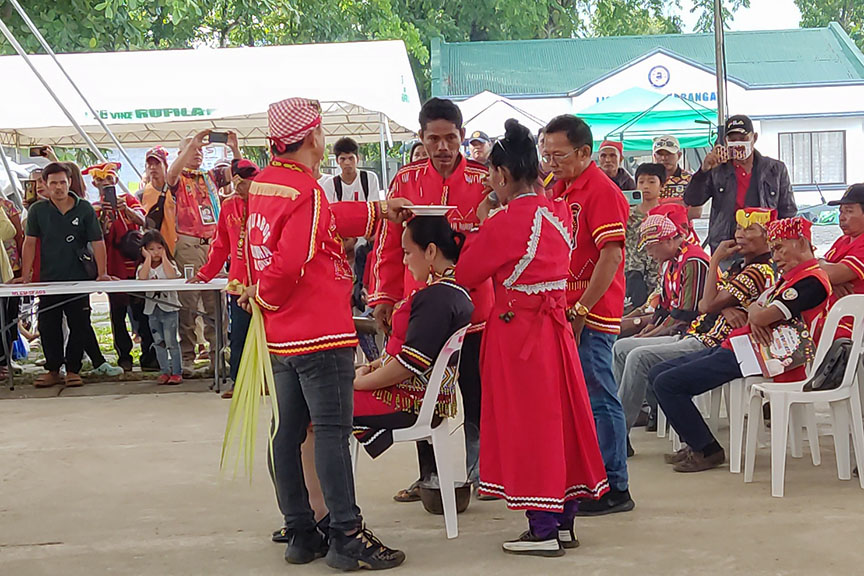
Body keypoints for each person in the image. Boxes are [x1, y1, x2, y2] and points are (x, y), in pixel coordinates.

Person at [239, 97, 405, 571]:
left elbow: (319, 222)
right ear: (314, 137)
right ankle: (347, 535)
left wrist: (379, 211)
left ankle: (299, 532)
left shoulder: (268, 184)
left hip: (282, 336)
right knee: (332, 434)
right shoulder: (306, 191)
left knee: (288, 432)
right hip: (320, 332)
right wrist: (266, 295)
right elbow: (291, 260)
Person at [456, 119, 608, 556]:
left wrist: (482, 221)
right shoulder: (556, 212)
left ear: (502, 175)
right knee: (561, 421)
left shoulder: (507, 221)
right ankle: (563, 522)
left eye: (490, 176)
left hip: (518, 334)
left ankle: (541, 528)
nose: (490, 184)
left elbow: (467, 272)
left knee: (530, 427)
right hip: (555, 332)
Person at [369, 97, 493, 499]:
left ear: (462, 136)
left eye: (451, 138)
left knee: (475, 392)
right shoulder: (404, 181)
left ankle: (481, 475)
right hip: (419, 309)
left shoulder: (483, 179)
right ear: (421, 138)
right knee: (419, 392)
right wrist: (385, 297)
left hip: (474, 308)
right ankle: (431, 479)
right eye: (434, 138)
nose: (443, 147)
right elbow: (388, 244)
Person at [652, 217, 830, 472]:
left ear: (801, 243)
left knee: (667, 383)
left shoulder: (810, 281)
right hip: (745, 346)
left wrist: (758, 311)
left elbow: (759, 314)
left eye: (780, 247)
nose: (775, 255)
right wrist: (758, 309)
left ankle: (707, 449)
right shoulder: (789, 277)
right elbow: (756, 309)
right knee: (659, 372)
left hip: (768, 356)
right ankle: (696, 443)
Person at [616, 208, 776, 442]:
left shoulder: (702, 262)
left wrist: (715, 262)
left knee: (645, 362)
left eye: (749, 229)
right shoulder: (738, 267)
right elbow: (698, 305)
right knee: (624, 349)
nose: (740, 234)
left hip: (712, 341)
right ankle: (628, 421)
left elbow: (697, 308)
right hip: (701, 333)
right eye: (740, 228)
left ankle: (619, 434)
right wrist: (724, 306)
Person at [544, 114, 634, 516]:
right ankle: (590, 479)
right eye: (546, 154)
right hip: (566, 306)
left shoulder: (601, 190)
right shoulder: (558, 187)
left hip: (591, 311)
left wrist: (582, 308)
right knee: (578, 397)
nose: (550, 162)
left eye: (558, 155)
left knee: (599, 395)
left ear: (584, 152)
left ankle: (616, 485)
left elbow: (611, 255)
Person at [353, 216, 473, 488]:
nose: (404, 261)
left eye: (407, 253)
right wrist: (374, 368)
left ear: (430, 251)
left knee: (321, 408)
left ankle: (325, 510)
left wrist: (360, 382)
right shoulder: (452, 291)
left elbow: (409, 365)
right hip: (415, 397)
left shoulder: (437, 298)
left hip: (409, 401)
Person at [17, 162, 111, 388]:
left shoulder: (85, 208)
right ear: (45, 186)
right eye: (53, 183)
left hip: (78, 277)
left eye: (62, 182)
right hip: (49, 278)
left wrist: (102, 273)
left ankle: (73, 369)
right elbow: (29, 243)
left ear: (70, 182)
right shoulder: (38, 210)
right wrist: (26, 274)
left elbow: (97, 242)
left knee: (79, 323)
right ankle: (52, 369)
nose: (58, 187)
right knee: (48, 324)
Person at [166, 130, 240, 372]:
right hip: (188, 244)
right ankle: (187, 358)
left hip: (214, 244)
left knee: (216, 305)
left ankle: (217, 357)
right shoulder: (179, 179)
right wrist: (191, 143)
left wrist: (234, 148)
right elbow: (171, 174)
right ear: (181, 153)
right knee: (188, 304)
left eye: (200, 149)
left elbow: (240, 172)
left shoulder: (210, 176)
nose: (197, 152)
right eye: (192, 149)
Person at [191, 159, 260, 398]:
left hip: (266, 283)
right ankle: (238, 383)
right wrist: (205, 273)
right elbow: (220, 245)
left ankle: (270, 382)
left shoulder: (267, 202)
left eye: (244, 182)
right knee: (239, 336)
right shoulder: (229, 206)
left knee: (269, 336)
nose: (239, 187)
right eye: (236, 182)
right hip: (239, 284)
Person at [684, 115, 797, 252]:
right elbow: (692, 200)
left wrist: (779, 242)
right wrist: (703, 171)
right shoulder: (716, 169)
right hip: (726, 246)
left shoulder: (775, 169)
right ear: (725, 141)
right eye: (732, 140)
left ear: (754, 138)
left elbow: (788, 211)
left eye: (743, 139)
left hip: (764, 247)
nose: (737, 144)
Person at [84, 162, 156, 372]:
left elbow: (144, 221)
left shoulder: (130, 200)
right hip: (113, 267)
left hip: (135, 266)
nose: (106, 183)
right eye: (101, 181)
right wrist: (105, 219)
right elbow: (95, 236)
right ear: (95, 184)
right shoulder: (95, 208)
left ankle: (149, 355)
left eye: (109, 179)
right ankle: (124, 356)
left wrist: (125, 211)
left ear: (115, 179)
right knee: (117, 315)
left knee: (142, 313)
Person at [137, 230, 182, 385]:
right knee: (159, 342)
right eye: (151, 249)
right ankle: (164, 371)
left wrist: (164, 258)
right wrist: (148, 259)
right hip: (152, 309)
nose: (156, 252)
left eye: (159, 248)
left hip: (169, 308)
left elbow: (172, 276)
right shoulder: (144, 267)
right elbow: (142, 278)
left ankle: (176, 372)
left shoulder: (170, 264)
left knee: (171, 341)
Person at [624, 163, 664, 311]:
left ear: (662, 186)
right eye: (641, 182)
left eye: (652, 181)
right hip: (631, 274)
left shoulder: (666, 214)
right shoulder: (627, 214)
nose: (645, 186)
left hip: (656, 275)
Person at [319, 137, 381, 204]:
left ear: (357, 158)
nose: (347, 162)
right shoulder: (330, 184)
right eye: (343, 159)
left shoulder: (369, 178)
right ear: (337, 160)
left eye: (351, 158)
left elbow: (375, 208)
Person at [140, 146, 178, 254]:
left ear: (165, 166)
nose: (153, 167)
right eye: (149, 164)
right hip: (154, 251)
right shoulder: (141, 194)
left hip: (177, 247)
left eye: (157, 164)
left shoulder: (176, 190)